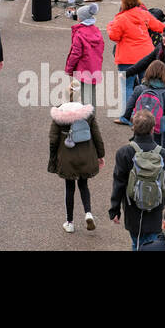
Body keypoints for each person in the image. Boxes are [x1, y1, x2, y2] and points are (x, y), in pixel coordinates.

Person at [109, 109, 165, 249]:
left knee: (136, 243)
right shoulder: (163, 154)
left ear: (133, 127)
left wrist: (114, 210)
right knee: (153, 244)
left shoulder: (124, 153)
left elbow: (119, 183)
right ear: (152, 129)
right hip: (156, 210)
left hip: (133, 210)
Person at [49, 80, 106, 234]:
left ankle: (70, 222)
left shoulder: (59, 114)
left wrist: (53, 158)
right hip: (86, 154)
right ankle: (88, 212)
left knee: (69, 188)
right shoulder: (87, 113)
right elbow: (97, 136)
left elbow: (53, 139)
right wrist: (101, 155)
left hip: (67, 157)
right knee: (83, 185)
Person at [107, 0, 165, 118]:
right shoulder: (144, 14)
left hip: (126, 57)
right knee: (145, 85)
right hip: (146, 55)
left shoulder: (120, 19)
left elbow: (114, 36)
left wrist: (110, 25)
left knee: (127, 87)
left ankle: (127, 116)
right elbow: (160, 26)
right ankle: (144, 114)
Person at [122, 58, 165, 154]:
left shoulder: (139, 89)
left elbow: (127, 112)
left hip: (139, 139)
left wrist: (137, 124)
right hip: (162, 139)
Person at [65, 3, 105, 106]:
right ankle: (92, 119)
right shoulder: (97, 31)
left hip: (83, 68)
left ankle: (86, 120)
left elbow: (75, 53)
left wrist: (69, 68)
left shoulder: (79, 33)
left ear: (81, 18)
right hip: (94, 67)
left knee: (84, 98)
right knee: (91, 96)